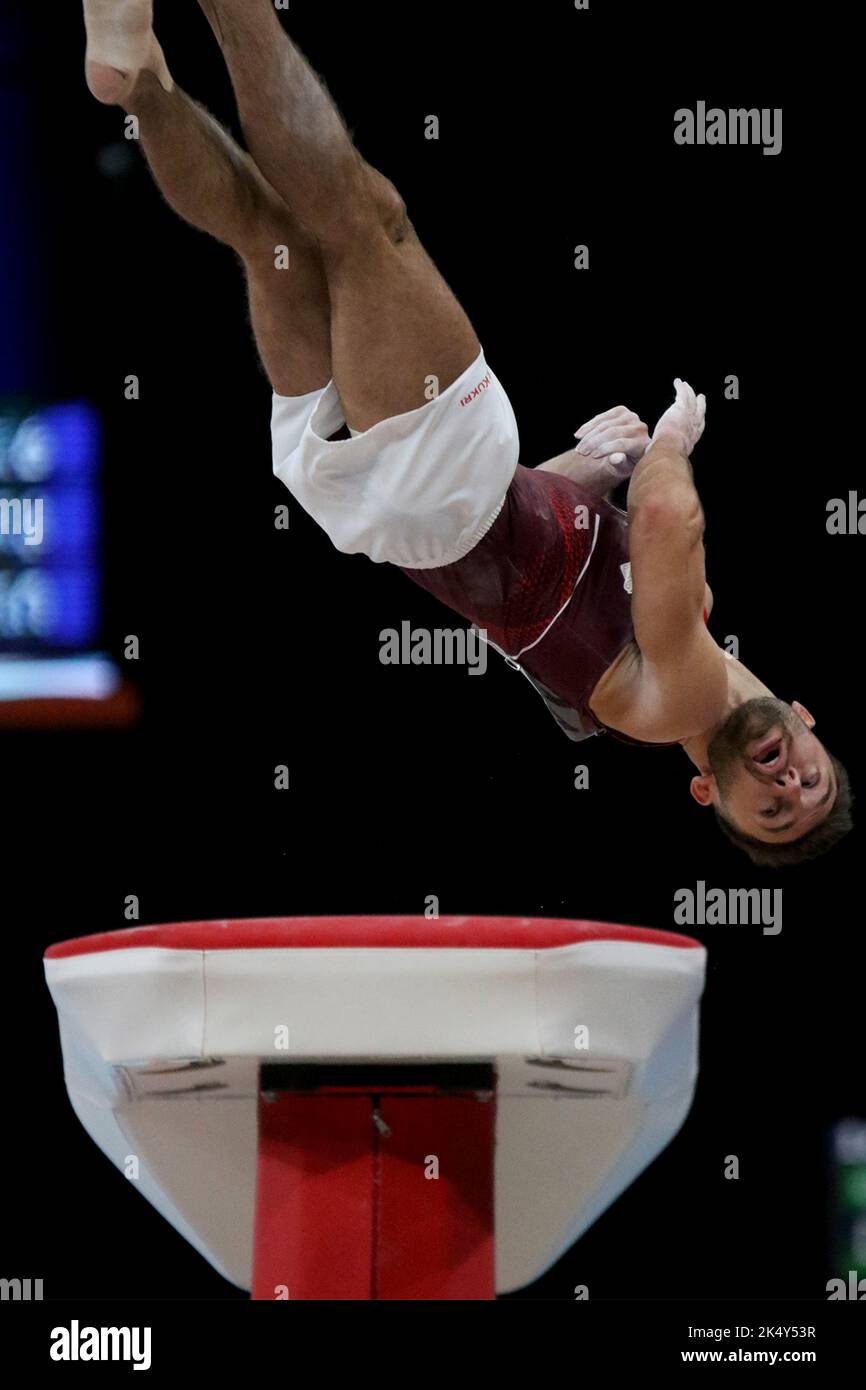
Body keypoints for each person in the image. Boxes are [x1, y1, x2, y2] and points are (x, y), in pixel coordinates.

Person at [81, 0, 852, 865]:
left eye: (772, 811)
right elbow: (515, 592)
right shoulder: (650, 682)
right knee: (274, 245)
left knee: (362, 222)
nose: (786, 784)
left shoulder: (688, 698)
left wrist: (674, 440)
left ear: (706, 792)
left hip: (444, 492)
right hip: (411, 512)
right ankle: (137, 80)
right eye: (809, 783)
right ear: (811, 724)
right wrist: (579, 475)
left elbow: (673, 521)